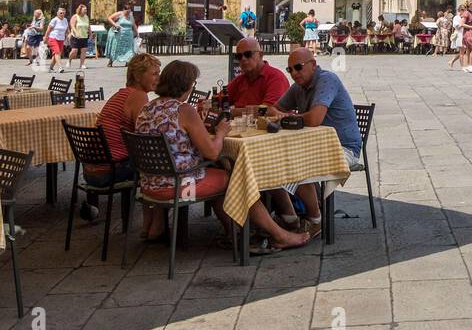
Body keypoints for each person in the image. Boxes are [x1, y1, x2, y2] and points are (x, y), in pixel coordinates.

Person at [136, 60, 307, 251]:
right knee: (239, 179)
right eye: (192, 84)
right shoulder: (183, 110)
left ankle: (233, 232)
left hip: (149, 185)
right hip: (181, 187)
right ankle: (279, 235)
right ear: (185, 85)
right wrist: (220, 132)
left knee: (220, 174)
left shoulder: (147, 108)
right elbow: (212, 151)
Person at [266, 47, 364, 239]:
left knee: (299, 166)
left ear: (313, 65)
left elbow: (314, 119)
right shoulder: (299, 86)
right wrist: (285, 115)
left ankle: (315, 220)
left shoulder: (327, 80)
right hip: (314, 146)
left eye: (298, 67)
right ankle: (290, 218)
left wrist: (285, 117)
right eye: (290, 70)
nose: (294, 73)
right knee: (270, 162)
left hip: (342, 147)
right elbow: (272, 109)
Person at [83, 53, 160, 222]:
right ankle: (156, 224)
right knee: (162, 168)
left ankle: (153, 224)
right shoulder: (138, 96)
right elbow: (146, 137)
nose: (158, 78)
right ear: (138, 76)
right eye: (154, 73)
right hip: (110, 171)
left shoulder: (121, 94)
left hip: (91, 170)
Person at [228, 36, 290, 107]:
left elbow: (267, 111)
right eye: (239, 56)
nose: (243, 59)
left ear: (261, 55)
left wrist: (232, 112)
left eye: (248, 54)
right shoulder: (239, 80)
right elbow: (218, 101)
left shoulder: (276, 78)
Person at [67, 3, 91, 71]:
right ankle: (69, 61)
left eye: (86, 10)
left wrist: (90, 33)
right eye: (85, 10)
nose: (86, 11)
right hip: (75, 36)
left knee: (84, 51)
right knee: (74, 51)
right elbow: (72, 26)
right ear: (80, 10)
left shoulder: (86, 17)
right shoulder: (75, 16)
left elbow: (88, 25)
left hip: (84, 36)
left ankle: (82, 64)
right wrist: (76, 33)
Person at [45, 7, 70, 73]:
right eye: (61, 13)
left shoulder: (65, 20)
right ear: (57, 13)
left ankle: (50, 68)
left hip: (61, 39)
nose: (62, 14)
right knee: (57, 52)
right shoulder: (54, 20)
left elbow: (67, 30)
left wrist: (69, 36)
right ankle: (60, 67)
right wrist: (45, 38)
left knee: (56, 54)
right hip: (53, 38)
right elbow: (48, 30)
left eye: (63, 13)